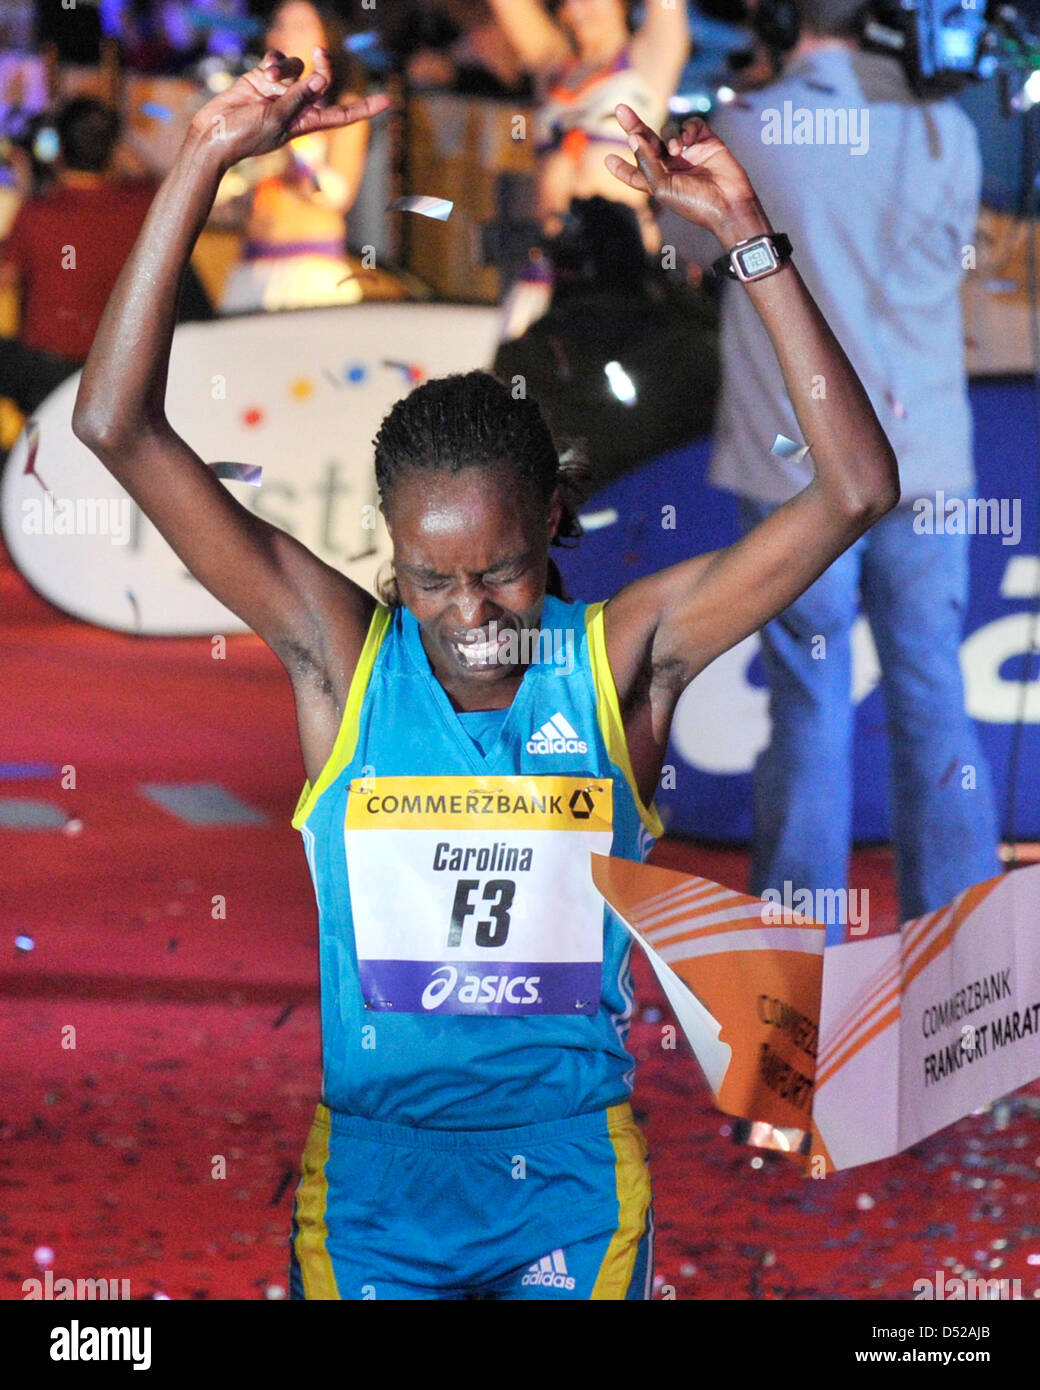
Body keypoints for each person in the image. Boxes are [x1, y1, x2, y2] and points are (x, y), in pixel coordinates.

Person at [72, 47, 899, 1298]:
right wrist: (199, 158)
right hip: (374, 1187)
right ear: (391, 556)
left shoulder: (623, 661)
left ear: (556, 521)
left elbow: (855, 489)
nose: (468, 614)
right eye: (432, 576)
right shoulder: (338, 654)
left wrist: (745, 236)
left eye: (501, 571)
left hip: (568, 1176)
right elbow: (113, 426)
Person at [659, 0, 1001, 929]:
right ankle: (961, 978)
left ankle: (801, 973)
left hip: (802, 473)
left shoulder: (751, 127)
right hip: (927, 459)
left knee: (809, 709)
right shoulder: (947, 128)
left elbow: (686, 242)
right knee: (935, 706)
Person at [487, 0, 690, 340]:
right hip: (549, 272)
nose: (575, 11)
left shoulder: (647, 63)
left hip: (618, 276)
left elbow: (670, 14)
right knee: (525, 381)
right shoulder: (553, 66)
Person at [0, 99, 160, 419]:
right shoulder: (143, 203)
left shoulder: (39, 214)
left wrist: (24, 194)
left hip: (47, 371)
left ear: (58, 150)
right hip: (119, 369)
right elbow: (153, 177)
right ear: (113, 147)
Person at [217, 0, 371, 313]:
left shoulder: (343, 107)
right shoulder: (251, 109)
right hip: (251, 270)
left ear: (327, 40)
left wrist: (296, 150)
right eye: (278, 25)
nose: (285, 36)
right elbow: (223, 198)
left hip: (312, 275)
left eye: (301, 28)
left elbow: (337, 195)